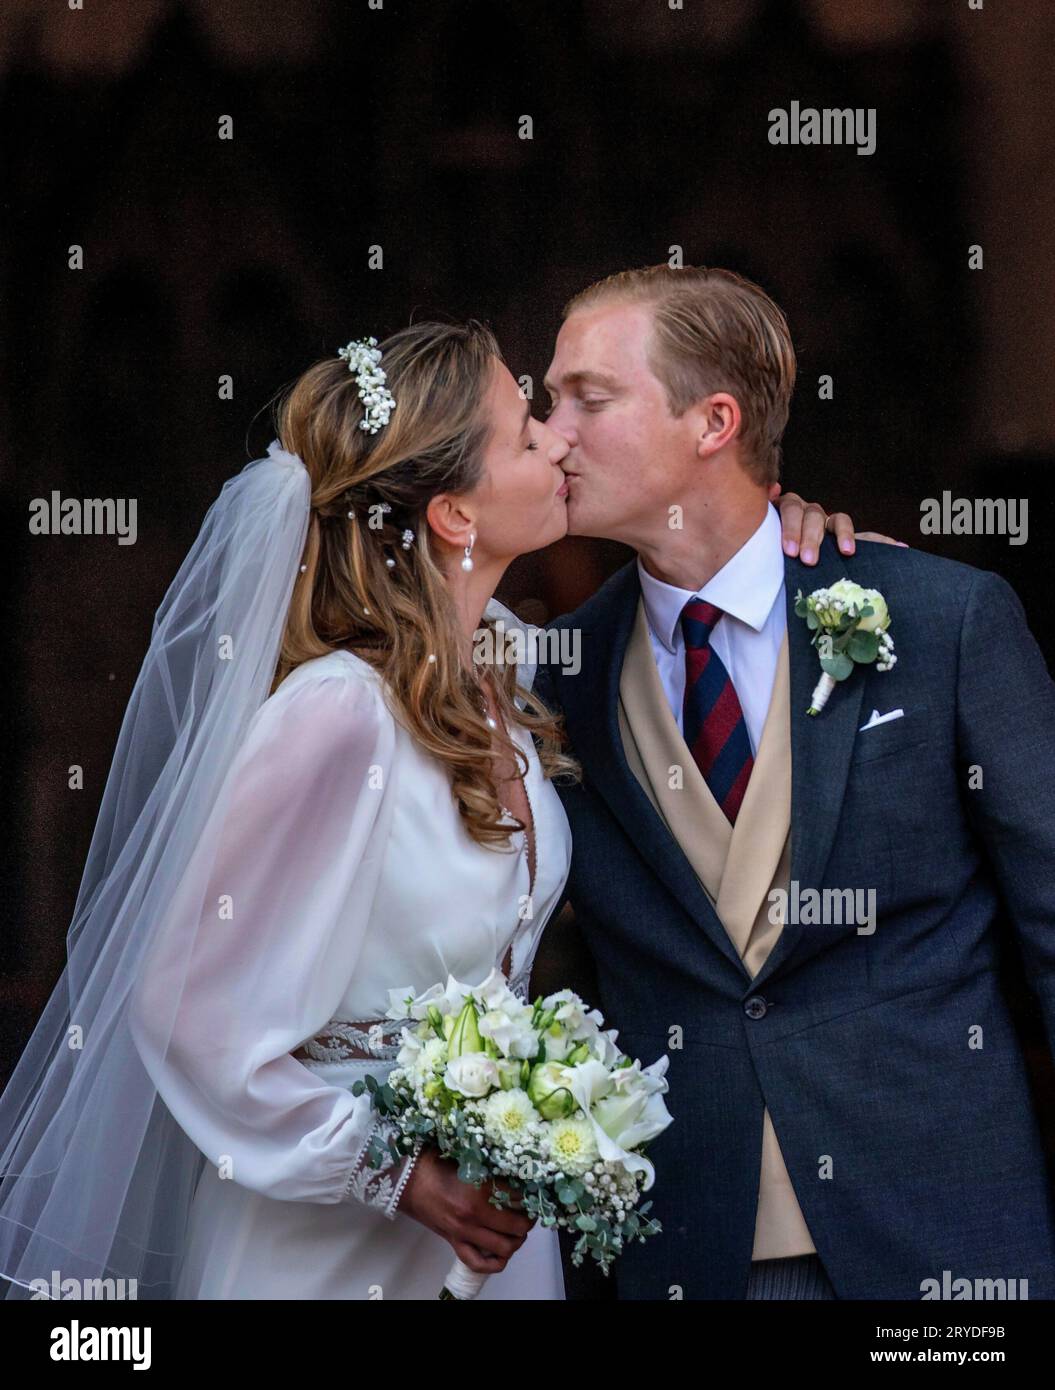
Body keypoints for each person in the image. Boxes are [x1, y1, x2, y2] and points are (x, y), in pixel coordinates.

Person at [0, 317, 851, 1301]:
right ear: (454, 514)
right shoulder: (335, 715)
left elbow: (688, 623)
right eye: (528, 430)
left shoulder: (507, 670)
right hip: (326, 1241)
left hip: (491, 1233)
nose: (560, 439)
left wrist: (786, 537)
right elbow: (186, 1005)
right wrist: (391, 1169)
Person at [532, 263, 1055, 1301]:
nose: (552, 431)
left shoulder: (939, 620)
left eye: (587, 399)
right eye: (547, 403)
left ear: (712, 421)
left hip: (943, 1236)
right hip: (684, 1245)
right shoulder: (548, 678)